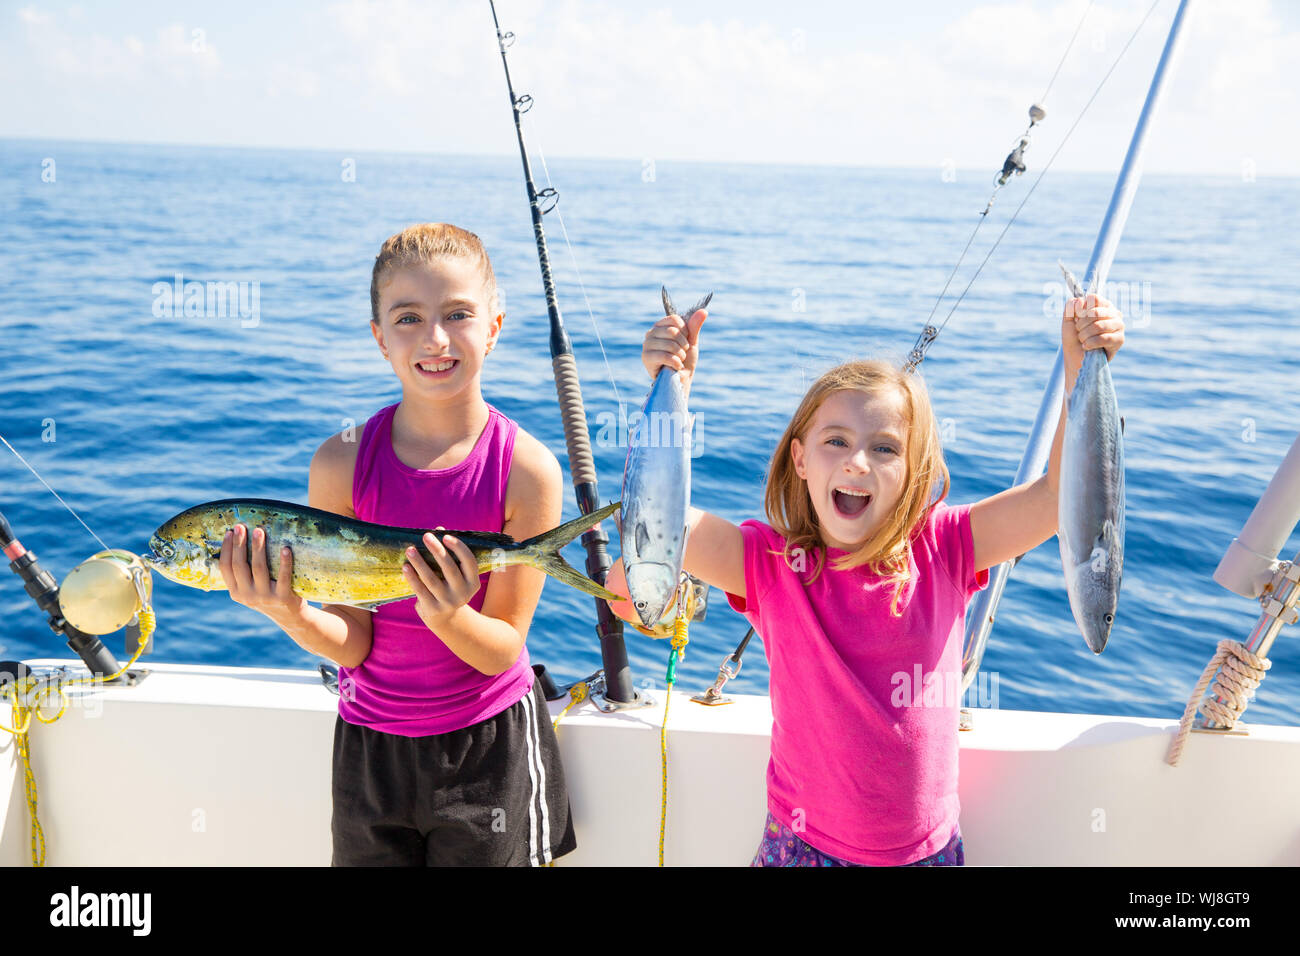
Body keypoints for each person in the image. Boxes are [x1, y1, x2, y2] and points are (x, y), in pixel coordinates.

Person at [609, 292, 1124, 866]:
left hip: (926, 855)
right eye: (836, 441)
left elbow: (1058, 496)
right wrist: (672, 386)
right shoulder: (769, 563)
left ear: (914, 472)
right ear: (800, 460)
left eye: (884, 448)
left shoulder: (948, 547)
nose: (857, 461)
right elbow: (651, 533)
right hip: (800, 848)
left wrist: (1081, 363)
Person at [218, 222, 577, 866]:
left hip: (487, 748)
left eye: (458, 314)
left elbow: (501, 651)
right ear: (379, 337)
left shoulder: (527, 470)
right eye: (408, 317)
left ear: (494, 325)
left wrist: (448, 615)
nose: (435, 339)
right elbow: (354, 641)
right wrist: (288, 610)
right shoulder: (340, 462)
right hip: (369, 748)